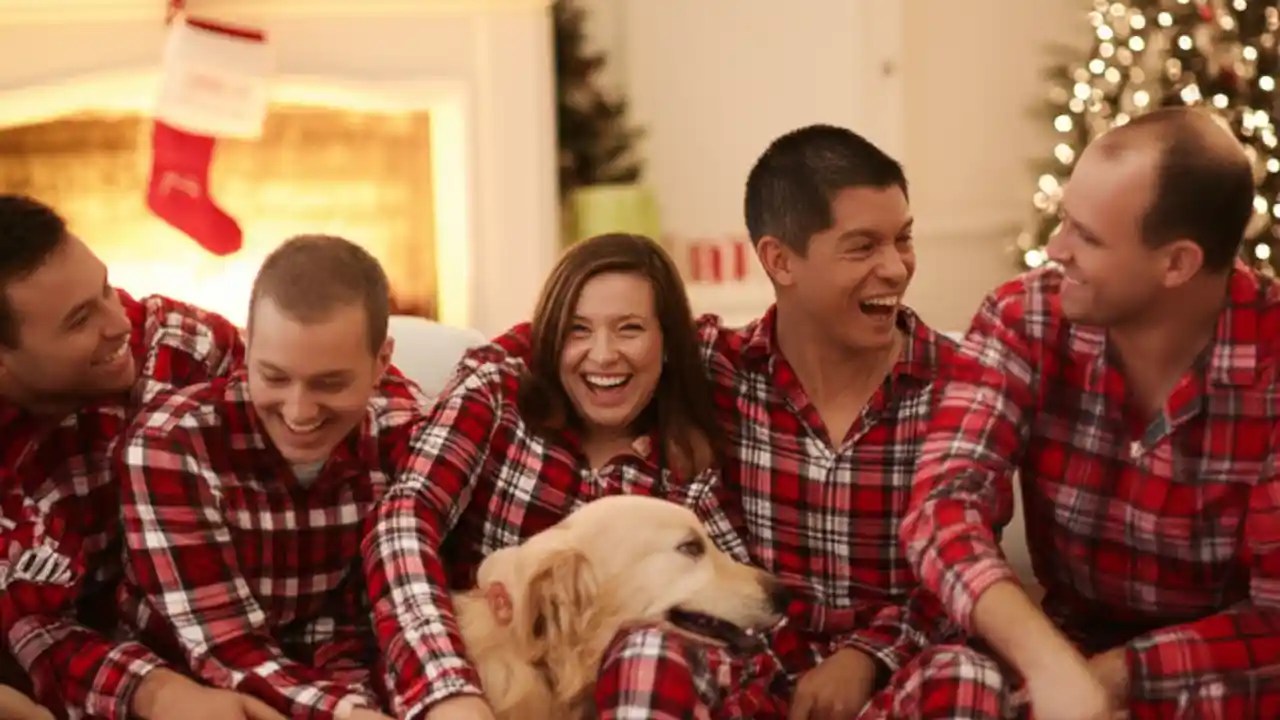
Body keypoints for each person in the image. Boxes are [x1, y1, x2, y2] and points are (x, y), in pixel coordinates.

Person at [879, 105, 1280, 719]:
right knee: (953, 681)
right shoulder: (1026, 316)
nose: (1054, 248)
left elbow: (1274, 616)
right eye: (1065, 220)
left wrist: (1117, 676)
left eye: (1086, 236)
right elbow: (941, 508)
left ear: (1177, 263)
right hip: (1057, 644)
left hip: (1219, 672)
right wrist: (1051, 665)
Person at [577, 125, 973, 718]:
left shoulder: (959, 385)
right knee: (646, 650)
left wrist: (865, 656)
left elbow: (965, 567)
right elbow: (563, 347)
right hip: (751, 660)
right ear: (780, 260)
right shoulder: (715, 368)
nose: (895, 268)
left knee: (967, 677)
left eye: (904, 239)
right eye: (863, 247)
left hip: (899, 671)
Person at [362, 233, 747, 720]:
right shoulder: (498, 395)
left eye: (629, 329)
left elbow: (731, 604)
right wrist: (445, 686)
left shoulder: (692, 462)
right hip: (480, 685)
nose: (602, 355)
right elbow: (403, 523)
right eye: (577, 330)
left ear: (668, 340)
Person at [116, 235, 425, 720]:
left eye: (330, 383)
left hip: (336, 685)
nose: (299, 412)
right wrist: (348, 712)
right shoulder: (171, 446)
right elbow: (227, 649)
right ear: (248, 346)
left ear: (382, 363)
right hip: (198, 692)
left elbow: (369, 625)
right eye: (274, 377)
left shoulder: (408, 437)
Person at [0, 195, 265, 720]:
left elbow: (358, 407)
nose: (119, 322)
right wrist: (158, 693)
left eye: (105, 288)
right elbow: (34, 628)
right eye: (80, 321)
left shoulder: (172, 347)